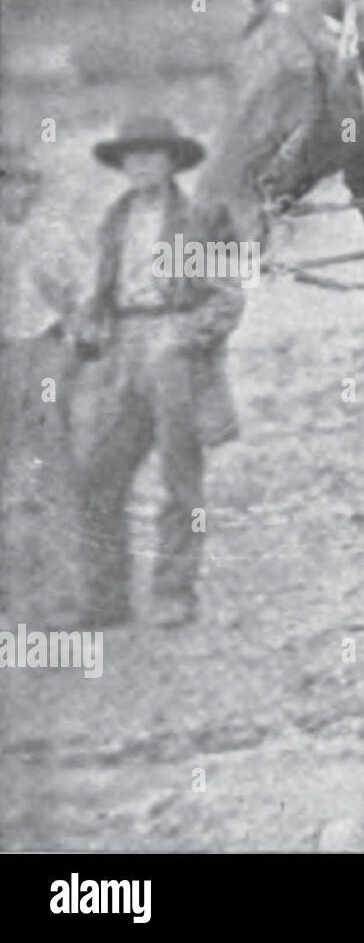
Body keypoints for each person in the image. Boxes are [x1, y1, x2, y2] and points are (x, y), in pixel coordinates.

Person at [71, 114, 244, 628]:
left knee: (180, 483)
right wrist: (88, 324)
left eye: (151, 154)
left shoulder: (198, 220)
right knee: (98, 475)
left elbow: (228, 302)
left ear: (171, 162)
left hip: (176, 359)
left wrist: (183, 337)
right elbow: (99, 294)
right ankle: (107, 598)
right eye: (131, 155)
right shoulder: (114, 219)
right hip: (121, 352)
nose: (139, 164)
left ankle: (175, 592)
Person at [1, 142, 82, 619]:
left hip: (45, 349)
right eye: (7, 182)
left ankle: (63, 589)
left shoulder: (52, 234)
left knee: (50, 462)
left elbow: (82, 300)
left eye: (25, 181)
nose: (17, 192)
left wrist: (71, 327)